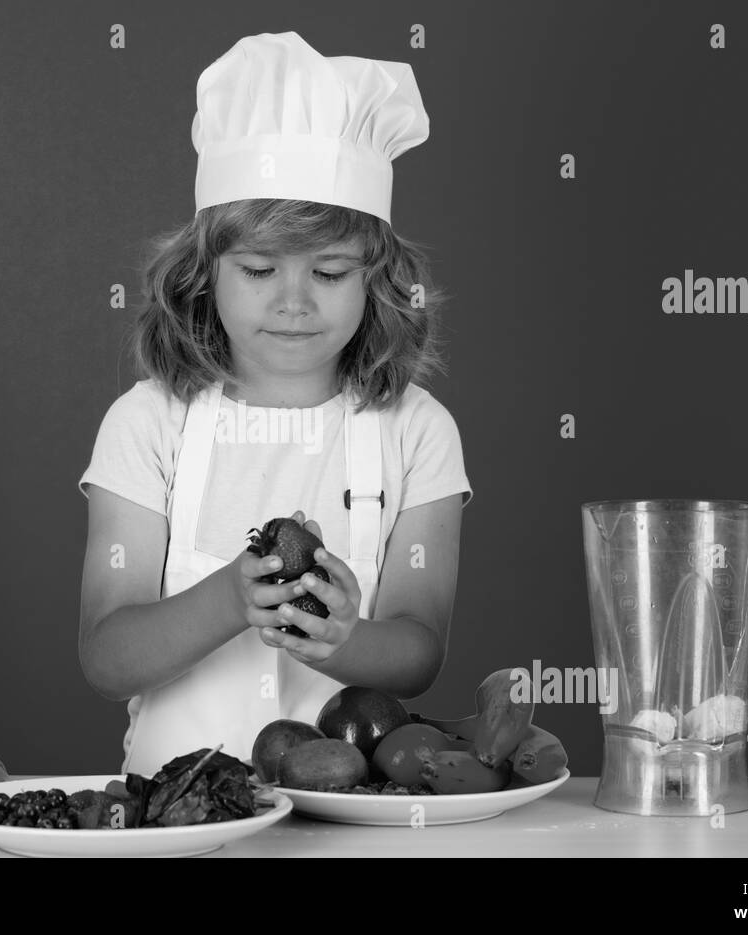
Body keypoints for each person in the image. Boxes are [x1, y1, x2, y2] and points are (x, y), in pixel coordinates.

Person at [78, 31, 473, 776]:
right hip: (177, 826)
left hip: (349, 823)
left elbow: (419, 650)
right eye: (259, 268)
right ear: (204, 272)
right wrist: (230, 600)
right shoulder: (146, 424)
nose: (293, 302)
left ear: (376, 277)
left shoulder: (419, 433)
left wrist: (346, 637)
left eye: (328, 271)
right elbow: (107, 654)